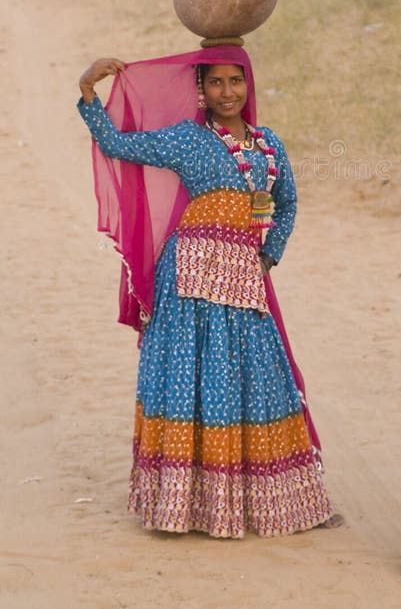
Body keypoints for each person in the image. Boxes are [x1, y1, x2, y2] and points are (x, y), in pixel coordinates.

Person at [78, 43, 337, 537]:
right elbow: (116, 145)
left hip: (242, 274)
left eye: (235, 81)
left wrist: (268, 255)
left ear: (249, 85)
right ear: (200, 89)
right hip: (188, 275)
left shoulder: (268, 145)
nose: (226, 92)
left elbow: (287, 204)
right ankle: (181, 505)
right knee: (190, 377)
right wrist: (89, 90)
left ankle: (255, 500)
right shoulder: (185, 140)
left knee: (256, 376)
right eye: (215, 82)